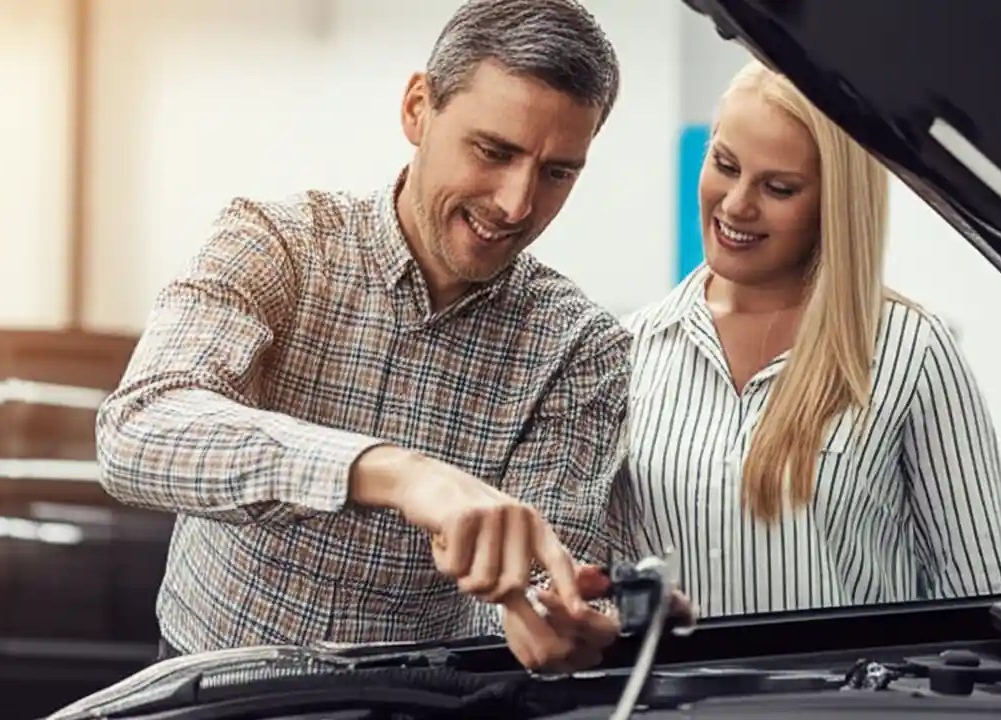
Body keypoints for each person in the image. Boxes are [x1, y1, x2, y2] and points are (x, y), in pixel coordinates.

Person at [96, 0, 630, 672]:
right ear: (417, 108)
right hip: (212, 678)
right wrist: (398, 473)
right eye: (493, 152)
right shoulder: (278, 244)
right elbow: (137, 430)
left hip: (409, 700)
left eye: (557, 173)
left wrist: (548, 614)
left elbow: (547, 568)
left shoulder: (582, 347)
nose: (516, 204)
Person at [617, 60, 1001, 619]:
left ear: (834, 203)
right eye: (725, 165)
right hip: (673, 680)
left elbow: (990, 597)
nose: (736, 204)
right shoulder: (631, 349)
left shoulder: (912, 352)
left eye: (779, 188)